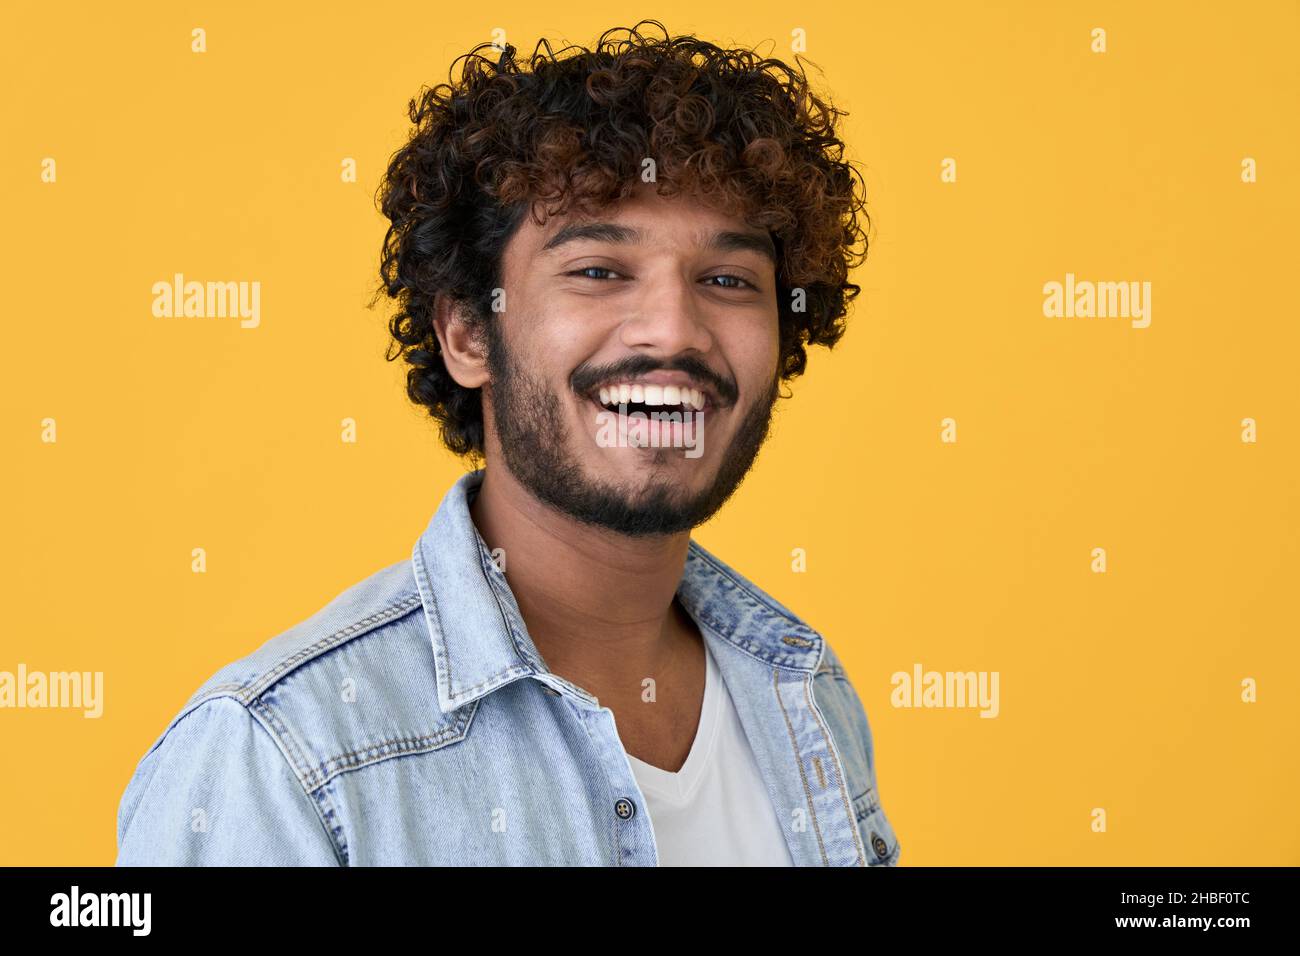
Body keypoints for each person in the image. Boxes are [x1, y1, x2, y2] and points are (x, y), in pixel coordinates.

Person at [115, 20, 900, 866]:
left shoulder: (802, 692)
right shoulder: (280, 758)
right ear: (467, 334)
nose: (674, 330)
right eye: (598, 271)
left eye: (726, 280)